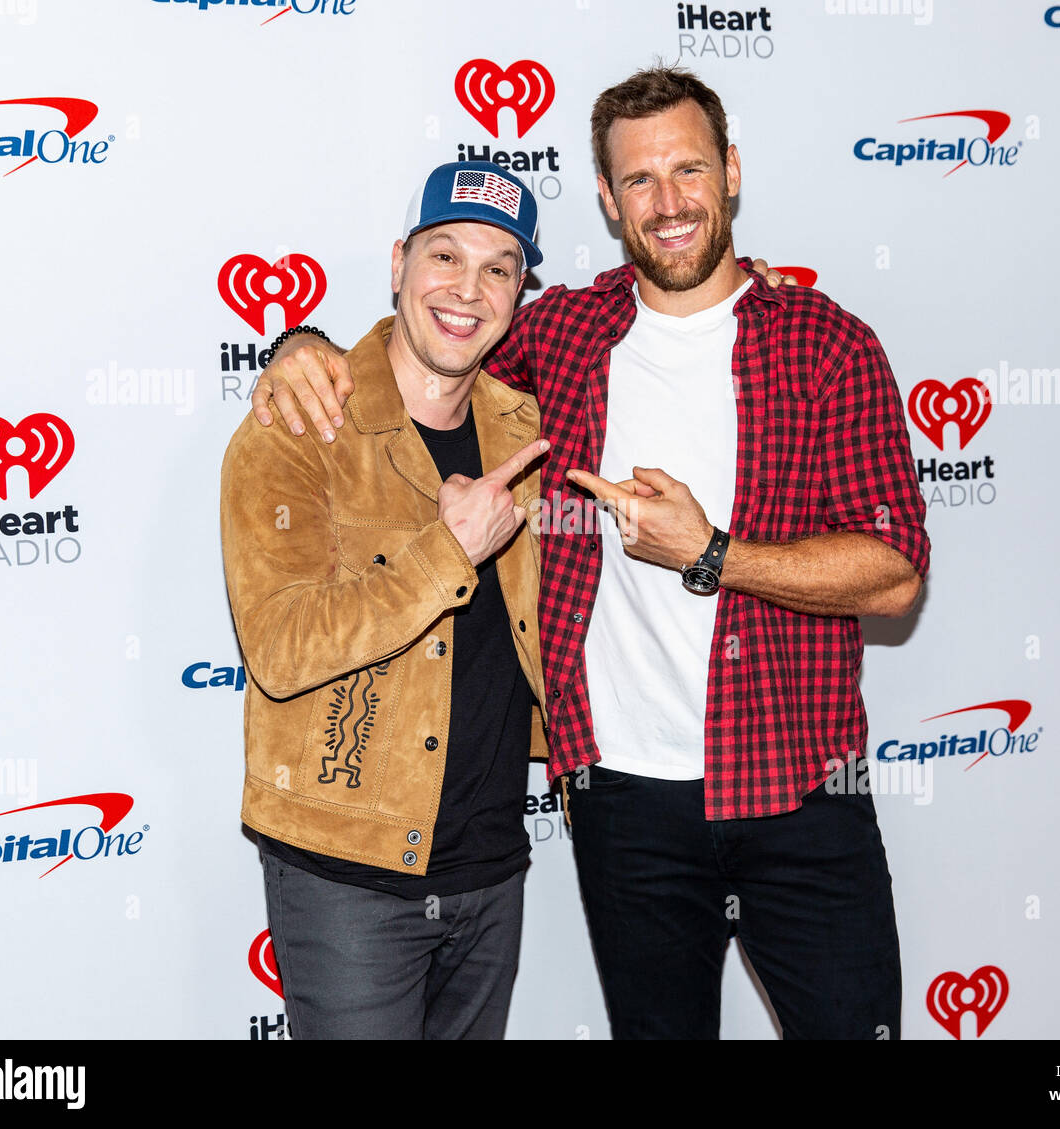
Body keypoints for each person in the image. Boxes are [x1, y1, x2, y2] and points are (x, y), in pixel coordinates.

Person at [251, 67, 930, 1040]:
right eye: (640, 182)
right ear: (608, 202)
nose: (670, 203)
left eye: (688, 171)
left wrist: (712, 554)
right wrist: (303, 341)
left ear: (730, 173)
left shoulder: (827, 346)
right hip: (626, 808)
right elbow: (438, 335)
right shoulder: (563, 333)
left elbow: (895, 574)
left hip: (802, 797)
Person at [220, 160, 551, 1039]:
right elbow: (282, 647)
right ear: (398, 261)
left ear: (522, 291)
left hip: (492, 865)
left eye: (498, 268)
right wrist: (448, 551)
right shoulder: (299, 422)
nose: (467, 290)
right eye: (445, 256)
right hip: (349, 870)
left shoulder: (526, 425)